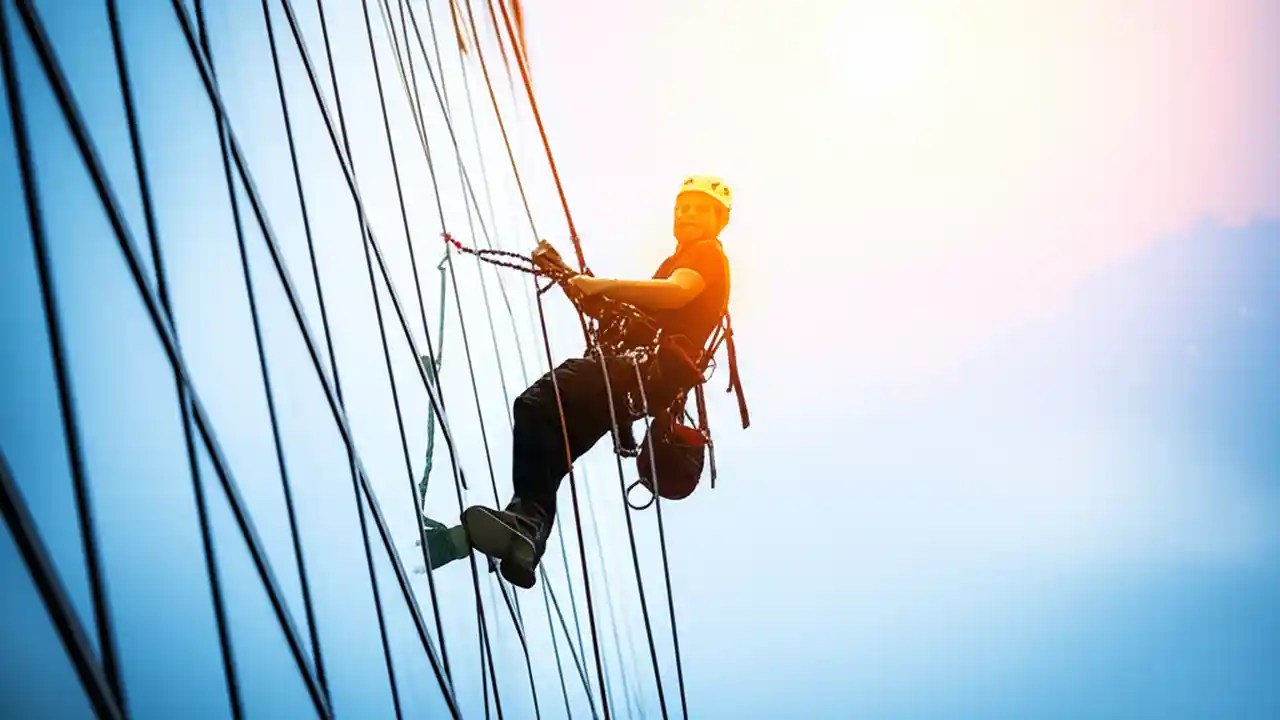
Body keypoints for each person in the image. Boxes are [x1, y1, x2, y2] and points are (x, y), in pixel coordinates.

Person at [461, 174, 735, 589]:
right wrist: (586, 291)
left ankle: (528, 519)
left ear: (720, 220)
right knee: (553, 440)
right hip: (633, 383)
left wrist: (602, 285)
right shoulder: (679, 259)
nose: (687, 213)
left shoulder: (706, 254)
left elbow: (677, 293)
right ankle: (526, 532)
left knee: (537, 404)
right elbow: (643, 313)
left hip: (637, 371)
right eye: (682, 206)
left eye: (699, 208)